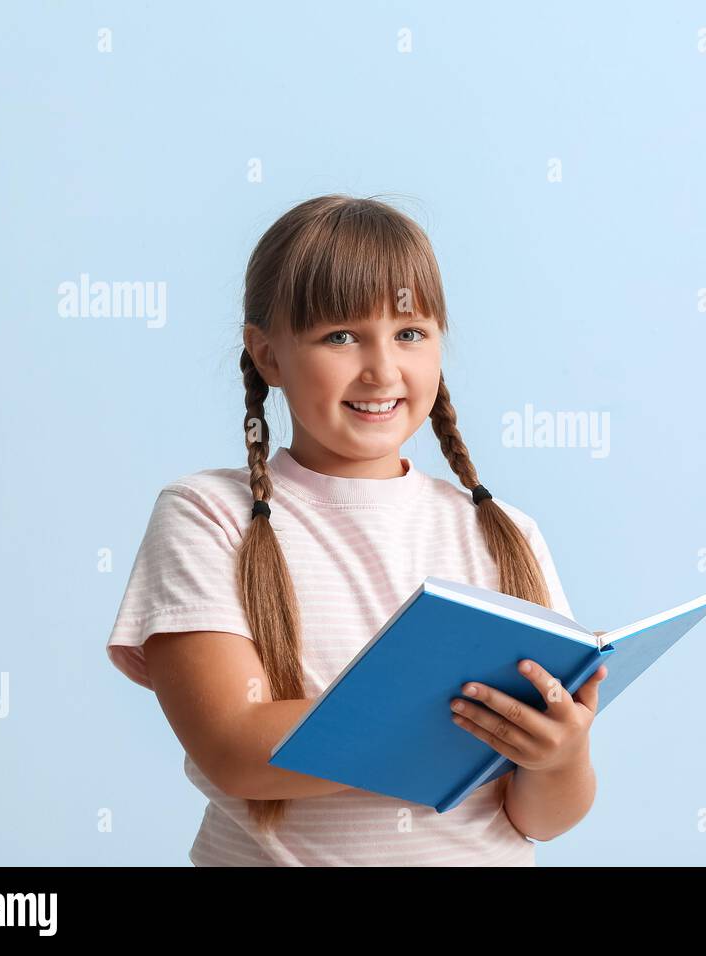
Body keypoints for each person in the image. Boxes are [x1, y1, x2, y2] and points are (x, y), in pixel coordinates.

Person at [105, 195, 607, 866]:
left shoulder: (505, 533)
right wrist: (468, 724)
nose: (381, 369)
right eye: (340, 336)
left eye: (409, 333)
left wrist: (558, 753)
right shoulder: (207, 515)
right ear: (269, 357)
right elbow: (238, 750)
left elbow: (539, 818)